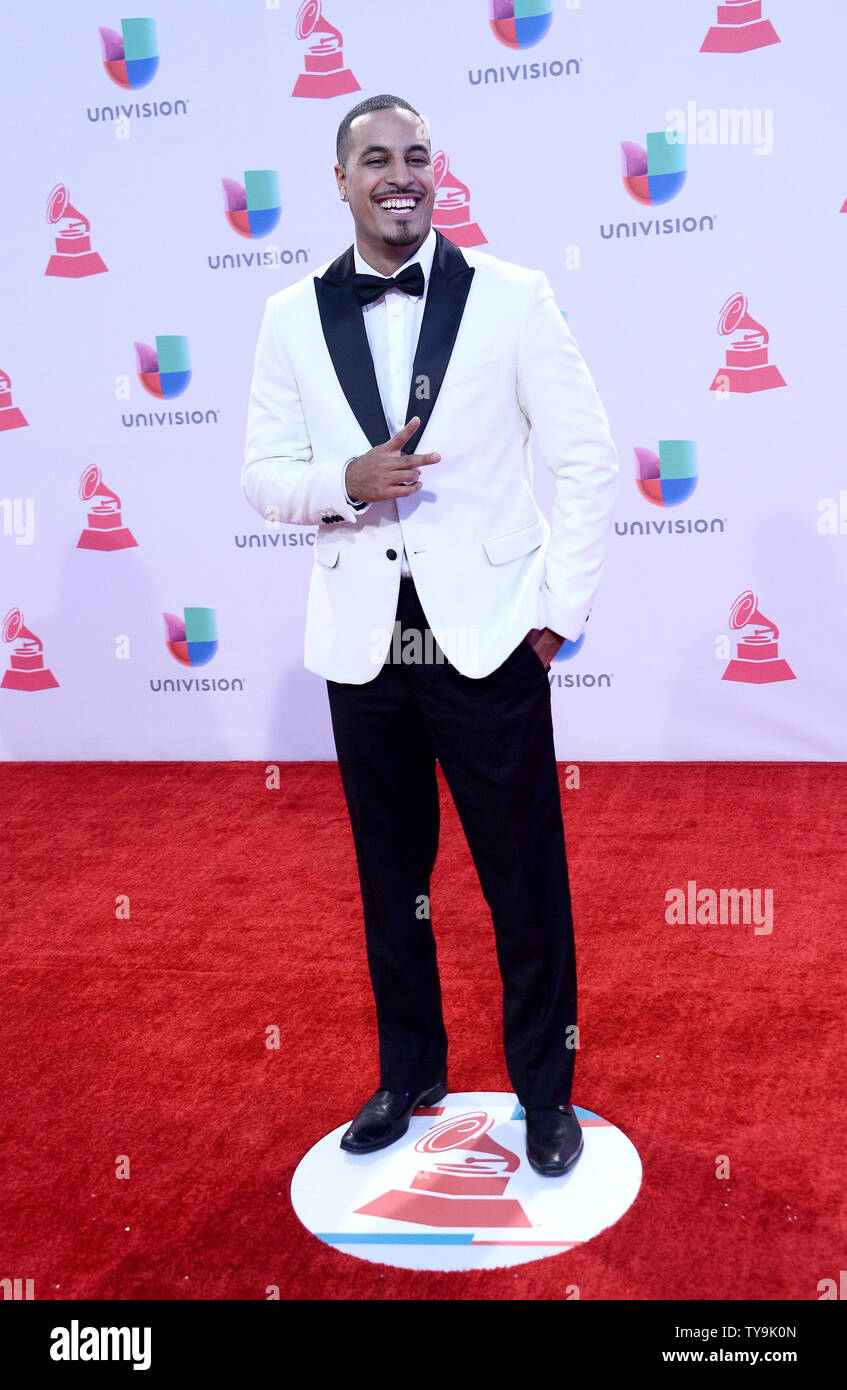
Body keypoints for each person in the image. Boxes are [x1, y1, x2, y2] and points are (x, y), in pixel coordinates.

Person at [243, 94, 618, 1177]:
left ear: (435, 172)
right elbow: (262, 473)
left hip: (489, 638)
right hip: (364, 648)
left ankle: (545, 1093)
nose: (398, 175)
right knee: (389, 876)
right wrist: (341, 483)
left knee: (522, 878)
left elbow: (587, 459)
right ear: (340, 177)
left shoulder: (511, 295)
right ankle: (409, 1071)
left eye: (415, 157)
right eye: (375, 158)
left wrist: (555, 619)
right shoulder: (290, 314)